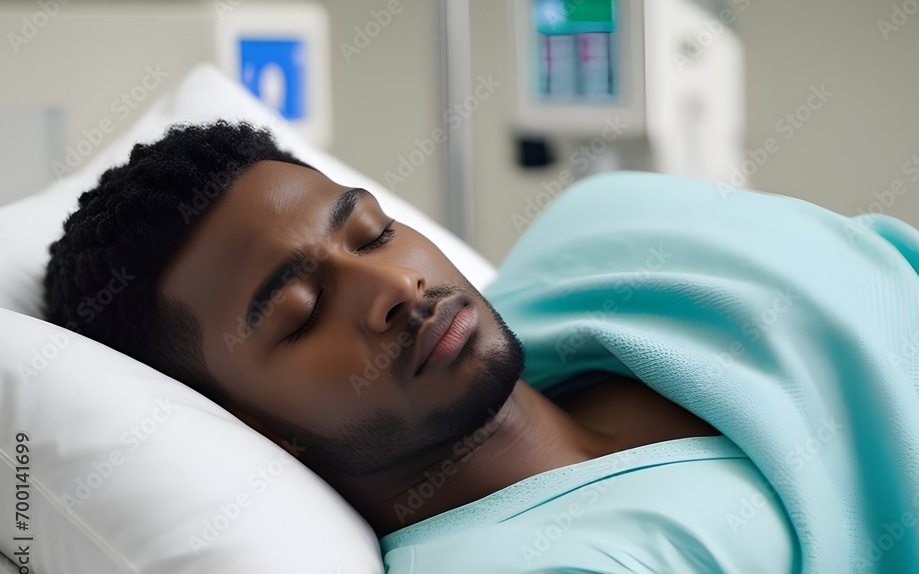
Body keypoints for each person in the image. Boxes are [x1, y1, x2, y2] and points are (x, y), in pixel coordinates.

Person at [42, 120, 723, 538]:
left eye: (374, 233)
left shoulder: (646, 295)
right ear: (253, 424)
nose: (399, 286)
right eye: (303, 313)